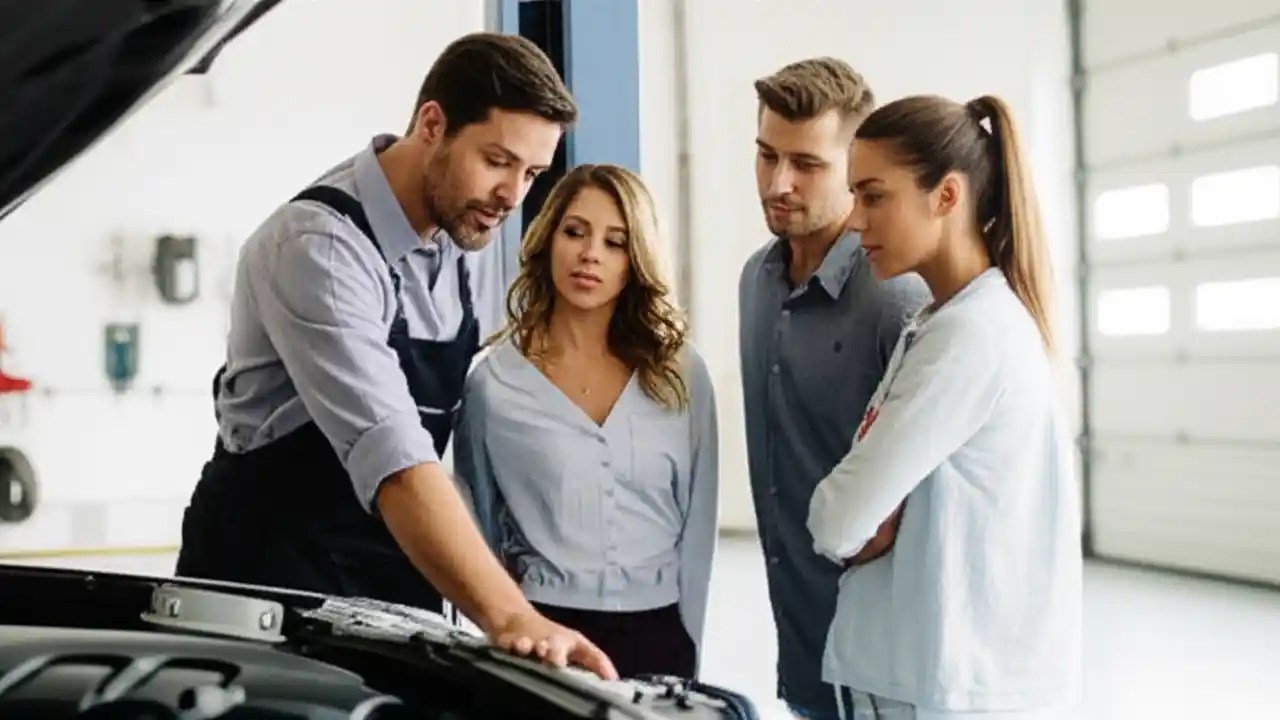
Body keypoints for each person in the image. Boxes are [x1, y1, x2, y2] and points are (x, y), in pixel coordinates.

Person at [174, 32, 616, 680]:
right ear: (432, 124)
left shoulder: (467, 232)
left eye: (530, 173)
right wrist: (512, 616)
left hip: (390, 571)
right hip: (268, 583)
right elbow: (396, 458)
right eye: (497, 160)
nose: (512, 194)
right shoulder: (318, 248)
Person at [806, 94, 1083, 719]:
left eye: (874, 196)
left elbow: (839, 520)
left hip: (942, 693)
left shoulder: (971, 336)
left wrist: (853, 514)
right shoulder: (943, 323)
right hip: (930, 683)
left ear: (947, 196)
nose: (855, 221)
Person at [453, 163, 718, 679]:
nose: (590, 253)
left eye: (615, 242)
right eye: (575, 232)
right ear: (549, 238)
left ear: (635, 258)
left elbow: (699, 526)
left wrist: (691, 648)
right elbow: (478, 529)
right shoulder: (494, 384)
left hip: (660, 635)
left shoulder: (679, 372)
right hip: (542, 636)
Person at [739, 58, 932, 719]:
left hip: (885, 667)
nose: (778, 182)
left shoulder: (897, 297)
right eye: (766, 155)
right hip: (801, 645)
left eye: (807, 164)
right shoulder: (755, 281)